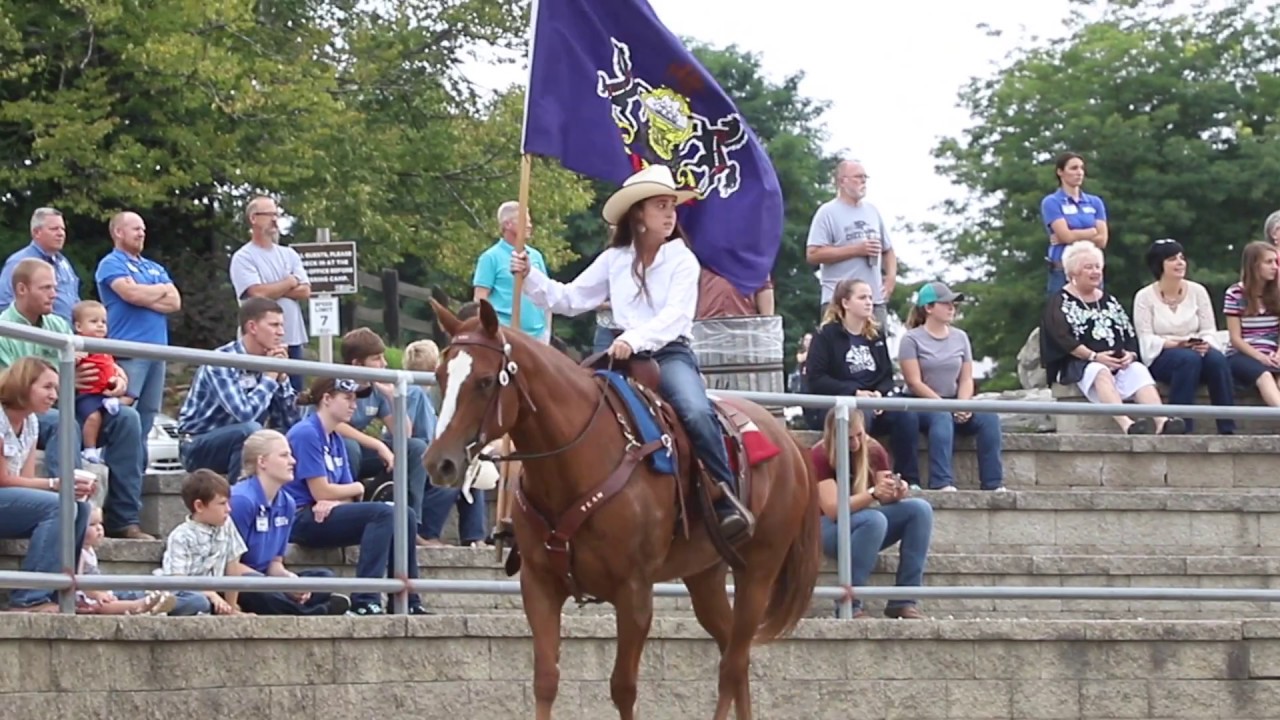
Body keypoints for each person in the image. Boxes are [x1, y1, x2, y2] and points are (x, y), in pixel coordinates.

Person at [510, 163, 752, 541]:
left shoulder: (683, 259)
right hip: (617, 351)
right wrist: (530, 276)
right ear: (638, 213)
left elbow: (675, 317)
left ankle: (724, 496)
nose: (670, 214)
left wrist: (634, 339)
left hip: (667, 353)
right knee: (569, 409)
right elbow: (571, 298)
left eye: (672, 206)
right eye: (661, 206)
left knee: (694, 408)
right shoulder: (615, 259)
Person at [0, 258, 150, 540]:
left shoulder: (58, 324)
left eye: (55, 287)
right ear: (21, 289)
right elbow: (11, 387)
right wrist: (65, 379)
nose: (54, 294)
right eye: (45, 288)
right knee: (61, 421)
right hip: (30, 412)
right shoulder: (3, 329)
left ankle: (125, 519)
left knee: (127, 418)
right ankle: (71, 504)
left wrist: (117, 378)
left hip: (75, 403)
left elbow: (93, 359)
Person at [284, 376, 429, 615]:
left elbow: (343, 495)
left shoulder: (335, 438)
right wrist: (356, 489)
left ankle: (408, 602)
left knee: (406, 514)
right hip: (301, 518)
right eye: (348, 398)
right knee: (384, 513)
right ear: (327, 399)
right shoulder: (306, 433)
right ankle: (365, 599)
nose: (354, 405)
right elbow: (323, 491)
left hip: (325, 514)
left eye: (355, 399)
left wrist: (338, 497)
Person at [1041, 241, 1185, 435]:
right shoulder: (1059, 302)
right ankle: (1127, 424)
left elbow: (1128, 332)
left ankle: (1161, 421)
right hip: (1080, 361)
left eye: (1098, 267)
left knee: (1138, 370)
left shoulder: (1108, 300)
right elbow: (1062, 338)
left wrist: (1130, 355)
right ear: (1073, 273)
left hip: (1116, 360)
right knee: (1099, 371)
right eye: (1088, 267)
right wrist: (1094, 356)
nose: (1096, 272)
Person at [810, 408, 932, 619]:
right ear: (834, 435)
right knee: (874, 520)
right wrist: (873, 494)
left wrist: (896, 490)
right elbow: (833, 509)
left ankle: (904, 599)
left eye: (859, 435)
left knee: (920, 510)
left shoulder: (874, 449)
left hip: (863, 523)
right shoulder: (819, 455)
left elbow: (884, 491)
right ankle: (849, 604)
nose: (856, 443)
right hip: (824, 527)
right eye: (848, 438)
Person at [804, 278, 921, 487]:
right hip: (836, 405)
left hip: (874, 402)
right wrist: (855, 393)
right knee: (858, 415)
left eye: (870, 297)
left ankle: (908, 480)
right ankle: (859, 481)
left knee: (906, 416)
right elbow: (816, 379)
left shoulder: (875, 335)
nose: (869, 302)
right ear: (845, 303)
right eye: (862, 297)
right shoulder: (825, 336)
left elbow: (886, 376)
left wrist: (879, 395)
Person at [0, 357, 93, 611]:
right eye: (47, 387)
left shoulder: (30, 422)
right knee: (58, 506)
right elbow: (3, 480)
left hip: (6, 500)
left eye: (56, 388)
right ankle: (28, 598)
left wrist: (70, 488)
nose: (54, 395)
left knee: (79, 507)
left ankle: (58, 594)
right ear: (23, 384)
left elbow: (25, 481)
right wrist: (56, 484)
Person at [177, 297, 300, 481]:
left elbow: (291, 421)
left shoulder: (272, 361)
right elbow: (244, 415)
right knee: (250, 432)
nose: (281, 333)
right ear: (252, 327)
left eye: (282, 326)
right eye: (274, 325)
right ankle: (241, 502)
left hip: (245, 438)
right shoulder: (221, 362)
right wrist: (269, 378)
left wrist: (281, 380)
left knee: (296, 437)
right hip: (198, 445)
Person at [229, 429, 350, 615]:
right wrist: (276, 585)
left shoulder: (287, 503)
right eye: (284, 455)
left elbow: (274, 564)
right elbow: (230, 565)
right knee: (263, 593)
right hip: (240, 582)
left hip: (268, 581)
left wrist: (289, 580)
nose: (293, 461)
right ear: (262, 462)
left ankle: (298, 605)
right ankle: (313, 612)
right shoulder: (242, 500)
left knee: (324, 577)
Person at [899, 282, 1004, 492]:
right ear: (929, 308)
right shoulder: (911, 339)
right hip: (922, 403)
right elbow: (914, 382)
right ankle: (941, 482)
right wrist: (945, 406)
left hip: (953, 399)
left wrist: (963, 404)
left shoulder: (960, 337)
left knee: (989, 417)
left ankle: (993, 483)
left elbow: (966, 378)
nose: (952, 308)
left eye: (953, 304)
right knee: (941, 416)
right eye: (945, 304)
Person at [1132, 239, 1236, 433]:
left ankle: (1227, 427)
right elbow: (1146, 339)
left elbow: (1208, 329)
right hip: (1164, 354)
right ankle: (1180, 426)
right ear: (1159, 264)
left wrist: (1204, 343)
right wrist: (1177, 343)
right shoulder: (1144, 297)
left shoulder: (1198, 291)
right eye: (1172, 259)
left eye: (1182, 258)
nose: (1180, 263)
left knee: (1217, 360)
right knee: (1187, 360)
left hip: (1197, 349)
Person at [95, 210, 181, 439]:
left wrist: (149, 293)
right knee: (124, 411)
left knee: (148, 414)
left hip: (158, 350)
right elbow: (130, 294)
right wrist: (160, 290)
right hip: (129, 349)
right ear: (118, 232)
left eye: (143, 229)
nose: (142, 233)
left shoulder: (154, 267)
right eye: (136, 229)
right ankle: (115, 466)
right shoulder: (110, 263)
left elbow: (175, 302)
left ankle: (139, 469)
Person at [229, 196, 312, 391]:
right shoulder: (243, 257)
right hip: (257, 345)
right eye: (269, 215)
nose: (275, 220)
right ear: (253, 218)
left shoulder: (289, 254)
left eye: (277, 214)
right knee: (258, 400)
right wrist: (290, 281)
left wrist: (273, 289)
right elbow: (257, 294)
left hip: (292, 341)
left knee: (294, 401)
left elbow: (306, 290)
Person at [805, 159, 897, 327]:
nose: (863, 181)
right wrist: (856, 250)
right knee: (838, 351)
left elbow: (888, 250)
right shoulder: (827, 212)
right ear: (842, 181)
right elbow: (813, 254)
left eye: (865, 177)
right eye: (858, 177)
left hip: (873, 302)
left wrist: (890, 278)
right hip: (839, 302)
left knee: (876, 351)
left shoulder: (872, 211)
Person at [76, 503, 197, 616]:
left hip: (102, 592)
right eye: (92, 525)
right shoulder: (77, 553)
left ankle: (153, 601)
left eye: (100, 524)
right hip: (84, 598)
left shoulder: (89, 550)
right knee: (102, 606)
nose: (99, 529)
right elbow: (78, 581)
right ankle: (138, 606)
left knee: (196, 600)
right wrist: (97, 594)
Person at [158, 469, 251, 615]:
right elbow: (178, 581)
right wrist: (210, 594)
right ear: (199, 506)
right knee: (198, 602)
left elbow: (233, 563)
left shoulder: (226, 525)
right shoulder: (181, 536)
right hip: (190, 595)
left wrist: (231, 607)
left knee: (254, 584)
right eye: (222, 504)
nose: (229, 509)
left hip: (216, 595)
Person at [474, 201, 552, 341]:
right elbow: (480, 298)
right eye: (524, 221)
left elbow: (546, 291)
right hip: (505, 333)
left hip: (537, 335)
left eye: (529, 221)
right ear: (507, 224)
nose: (529, 225)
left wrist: (547, 330)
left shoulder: (535, 256)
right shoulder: (490, 257)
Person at [1040, 152, 1108, 296]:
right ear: (1060, 172)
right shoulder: (1052, 202)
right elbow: (1066, 236)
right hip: (1062, 270)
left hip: (1092, 272)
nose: (1079, 173)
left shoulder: (1095, 202)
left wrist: (1073, 234)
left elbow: (1102, 240)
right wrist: (1091, 232)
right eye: (1074, 168)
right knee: (1060, 315)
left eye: (1081, 168)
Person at [1224, 241, 1280, 407]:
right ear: (1254, 266)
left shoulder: (1277, 293)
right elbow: (1235, 338)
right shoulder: (1235, 294)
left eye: (1276, 262)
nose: (1275, 267)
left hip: (1272, 352)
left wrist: (1278, 353)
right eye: (1269, 262)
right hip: (1243, 354)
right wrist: (1260, 357)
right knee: (1265, 377)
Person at [71, 301, 126, 465]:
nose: (100, 326)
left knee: (130, 398)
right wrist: (74, 359)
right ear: (79, 326)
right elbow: (68, 362)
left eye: (103, 322)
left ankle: (112, 401)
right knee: (93, 417)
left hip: (105, 389)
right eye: (94, 322)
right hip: (88, 393)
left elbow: (113, 366)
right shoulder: (79, 343)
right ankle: (90, 448)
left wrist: (120, 379)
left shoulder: (105, 345)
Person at [0, 207, 80, 322]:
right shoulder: (19, 262)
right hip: (36, 334)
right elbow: (4, 303)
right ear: (36, 232)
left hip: (66, 334)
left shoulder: (63, 263)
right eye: (54, 229)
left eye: (63, 229)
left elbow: (74, 299)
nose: (61, 233)